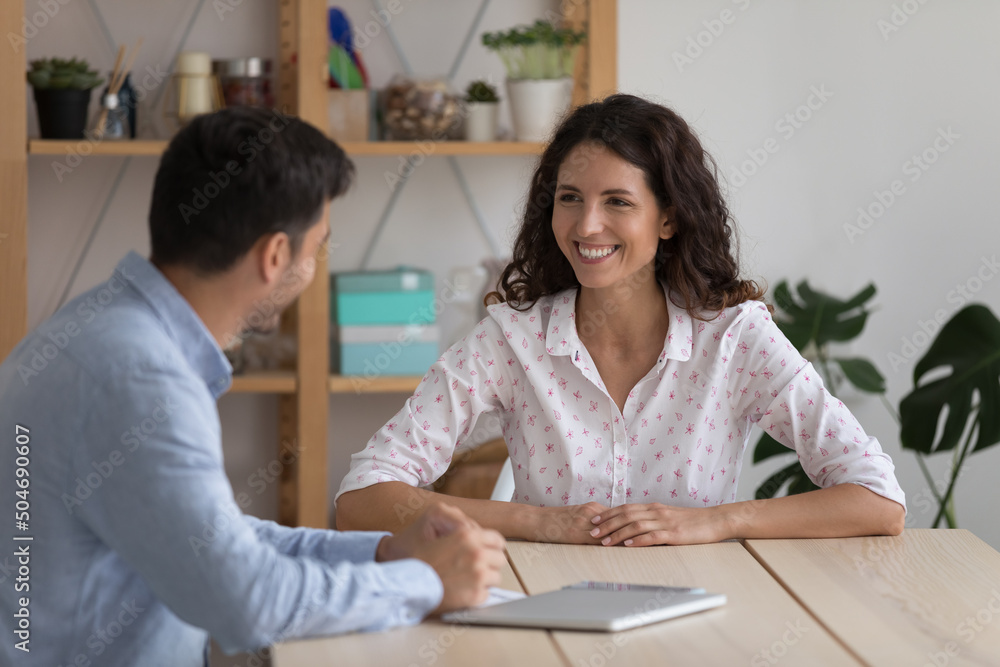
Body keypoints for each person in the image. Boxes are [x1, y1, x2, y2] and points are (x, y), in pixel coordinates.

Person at [0, 107, 504, 667]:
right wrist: (425, 583)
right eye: (316, 248)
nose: (312, 267)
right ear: (274, 257)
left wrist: (387, 555)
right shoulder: (141, 379)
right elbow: (247, 601)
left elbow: (216, 540)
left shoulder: (98, 326)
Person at [336, 94, 906, 547]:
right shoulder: (511, 339)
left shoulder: (734, 338)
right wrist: (541, 522)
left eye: (618, 202)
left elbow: (878, 500)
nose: (586, 226)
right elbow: (361, 499)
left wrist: (715, 522)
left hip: (705, 609)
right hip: (546, 607)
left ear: (669, 219)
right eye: (569, 198)